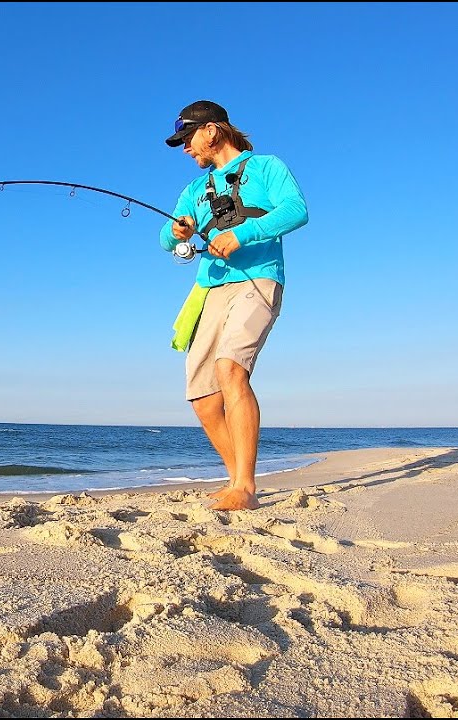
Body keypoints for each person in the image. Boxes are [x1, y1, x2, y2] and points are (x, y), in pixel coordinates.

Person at [160, 100, 308, 511]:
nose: (186, 148)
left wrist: (245, 234)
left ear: (211, 130)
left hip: (258, 279)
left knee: (230, 369)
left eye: (187, 138)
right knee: (204, 399)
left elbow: (297, 210)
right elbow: (165, 239)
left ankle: (245, 486)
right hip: (209, 290)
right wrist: (177, 231)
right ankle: (235, 480)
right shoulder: (194, 191)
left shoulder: (266, 168)